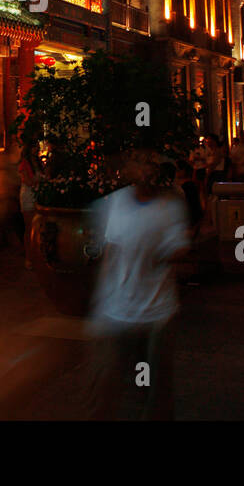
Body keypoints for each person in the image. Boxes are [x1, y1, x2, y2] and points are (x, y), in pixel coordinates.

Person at [88, 147, 191, 420]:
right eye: (138, 163)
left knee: (156, 387)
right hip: (117, 309)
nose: (144, 170)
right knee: (107, 384)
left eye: (148, 164)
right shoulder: (113, 204)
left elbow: (180, 247)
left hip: (157, 312)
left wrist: (159, 254)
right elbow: (108, 251)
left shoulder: (169, 206)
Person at [16, 142, 43, 269]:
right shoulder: (24, 164)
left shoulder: (38, 162)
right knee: (29, 226)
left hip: (38, 194)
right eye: (34, 146)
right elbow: (27, 181)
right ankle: (29, 257)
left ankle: (36, 255)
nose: (36, 148)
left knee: (38, 226)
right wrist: (41, 180)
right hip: (28, 194)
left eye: (37, 146)